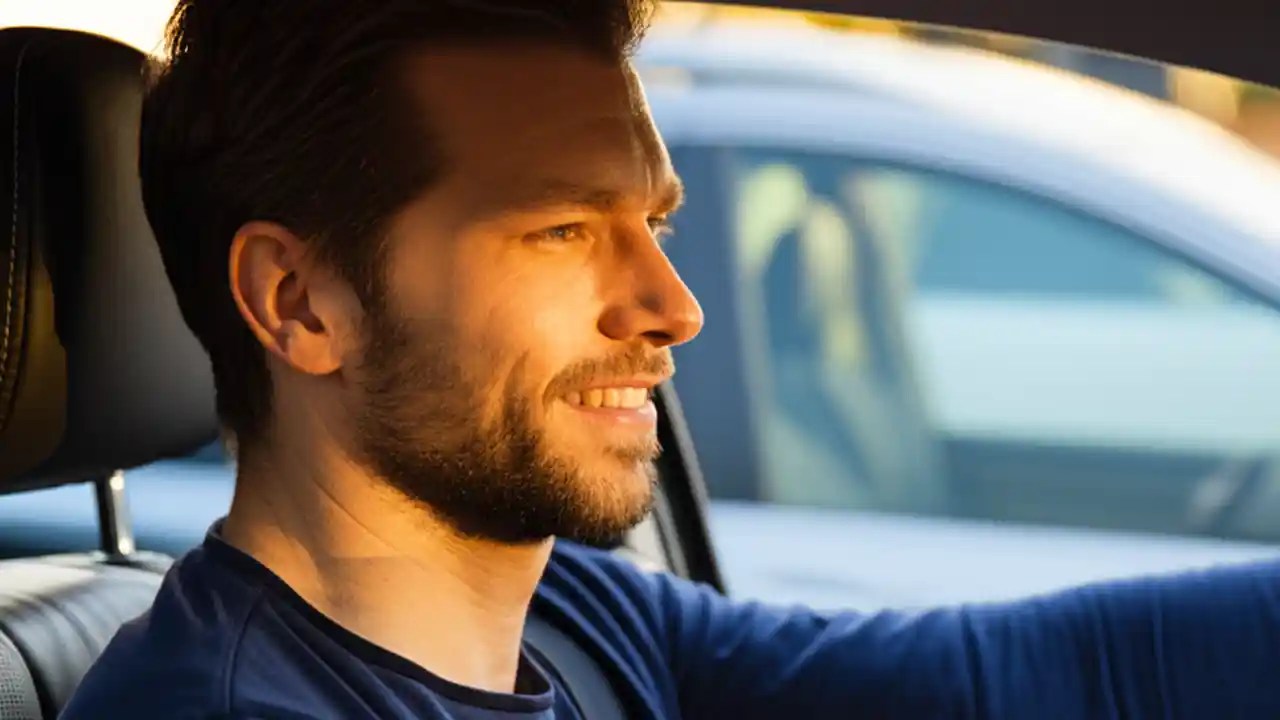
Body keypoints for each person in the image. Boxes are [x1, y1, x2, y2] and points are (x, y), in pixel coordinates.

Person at [62, 1, 1280, 718]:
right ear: (300, 303)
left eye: (655, 224)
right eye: (560, 229)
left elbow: (1036, 677)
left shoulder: (568, 616)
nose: (672, 306)